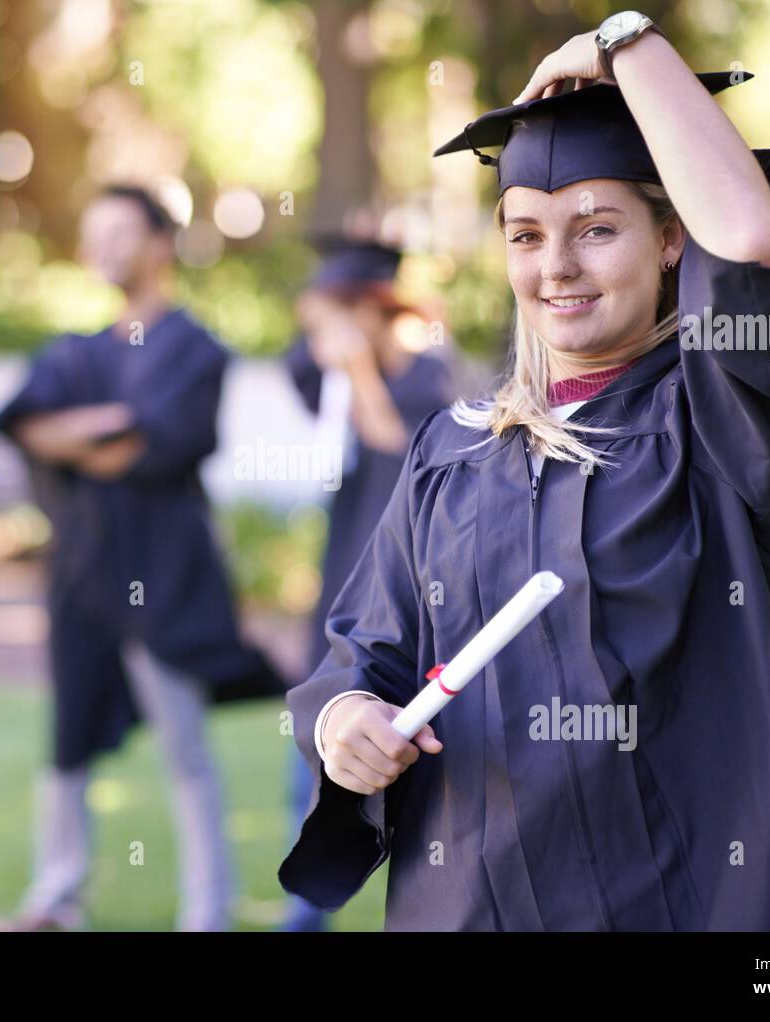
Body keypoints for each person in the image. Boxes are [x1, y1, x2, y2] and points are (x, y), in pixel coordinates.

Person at [278, 17, 770, 931]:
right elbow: (365, 653)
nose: (557, 267)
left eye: (597, 228)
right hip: (463, 902)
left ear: (670, 240)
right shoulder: (452, 452)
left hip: (660, 900)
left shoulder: (715, 424)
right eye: (526, 235)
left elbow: (745, 241)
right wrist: (345, 723)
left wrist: (627, 46)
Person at [0, 185, 284, 932]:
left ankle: (207, 911)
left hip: (165, 578)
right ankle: (54, 900)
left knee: (185, 748)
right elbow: (24, 426)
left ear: (160, 242)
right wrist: (100, 429)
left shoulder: (195, 349)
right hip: (82, 571)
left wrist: (74, 435)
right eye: (94, 233)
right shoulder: (73, 352)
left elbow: (140, 450)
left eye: (120, 230)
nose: (104, 246)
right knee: (68, 740)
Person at [279, 237, 454, 930]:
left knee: (400, 762)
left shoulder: (428, 378)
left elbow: (400, 450)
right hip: (337, 590)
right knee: (316, 737)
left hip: (403, 600)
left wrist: (359, 366)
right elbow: (299, 364)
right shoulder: (329, 378)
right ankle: (305, 908)